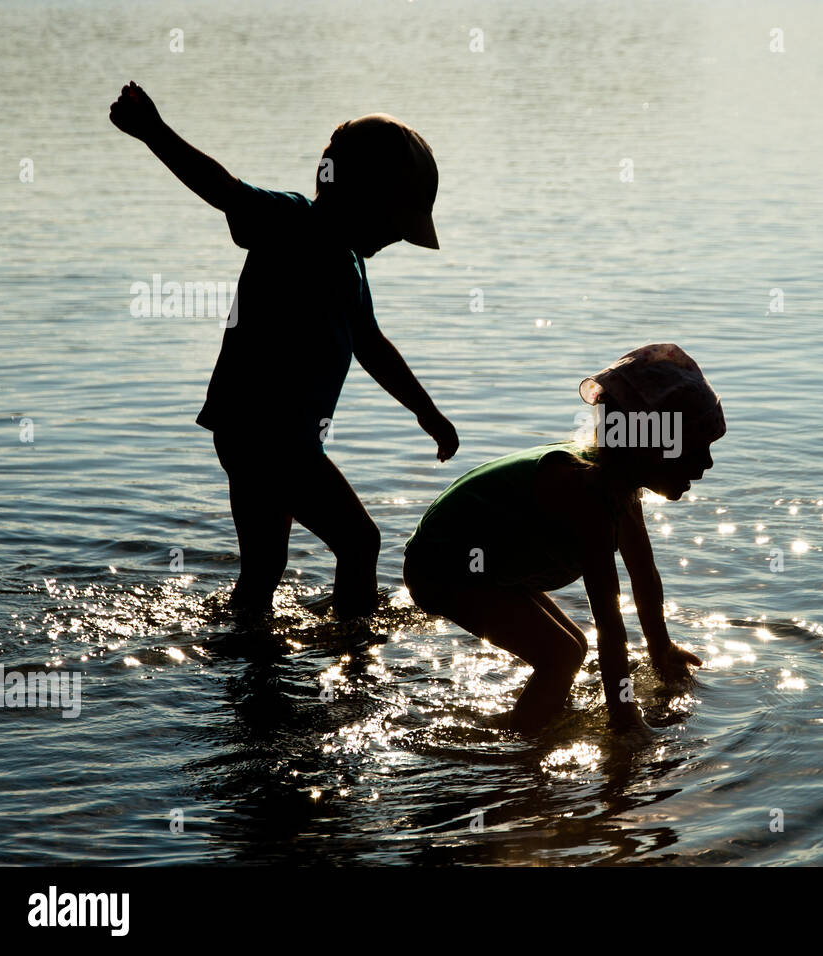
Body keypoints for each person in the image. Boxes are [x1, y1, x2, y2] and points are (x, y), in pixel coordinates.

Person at [109, 82, 458, 618]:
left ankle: (248, 662)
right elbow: (221, 187)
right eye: (394, 224)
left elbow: (371, 344)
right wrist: (153, 131)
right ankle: (356, 659)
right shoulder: (290, 222)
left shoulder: (350, 261)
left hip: (261, 434)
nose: (395, 240)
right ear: (360, 193)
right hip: (268, 436)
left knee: (263, 571)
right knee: (360, 543)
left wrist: (426, 411)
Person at [403, 344, 723, 734]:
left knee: (573, 648)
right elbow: (609, 621)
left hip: (489, 567)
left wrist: (660, 647)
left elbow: (643, 573)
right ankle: (514, 746)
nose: (707, 462)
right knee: (561, 654)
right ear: (651, 447)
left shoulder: (620, 484)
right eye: (697, 448)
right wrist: (624, 718)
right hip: (442, 566)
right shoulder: (585, 492)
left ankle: (529, 728)